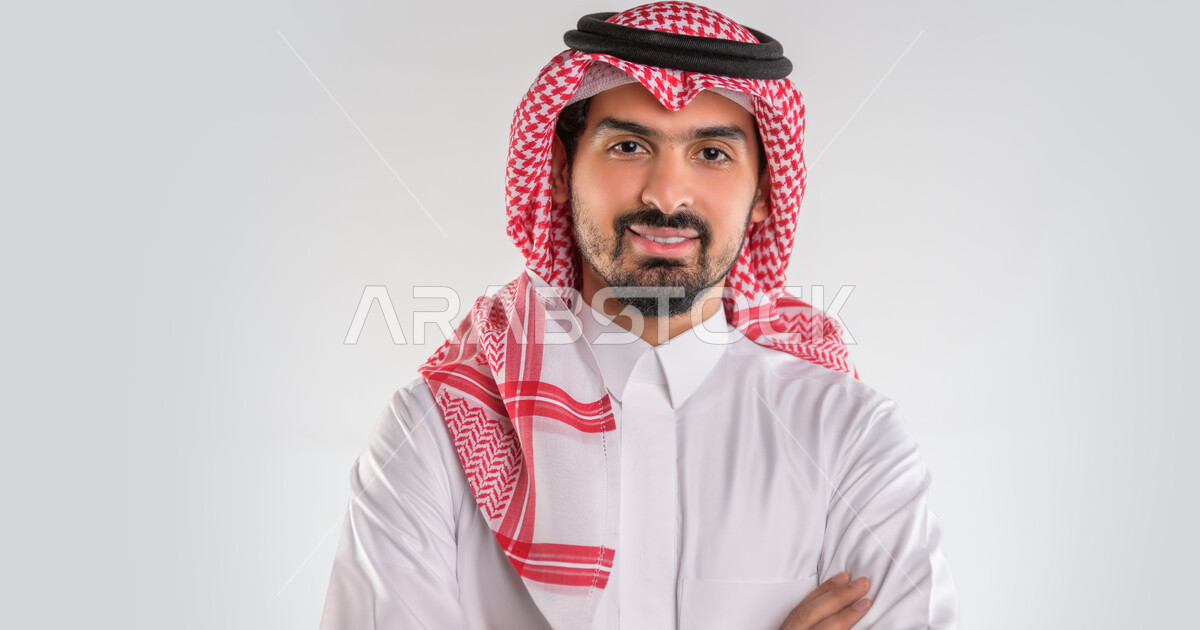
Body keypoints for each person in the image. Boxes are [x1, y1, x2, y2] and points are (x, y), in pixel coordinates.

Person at [319, 2, 957, 629]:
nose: (666, 195)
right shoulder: (434, 432)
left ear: (765, 191)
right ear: (561, 172)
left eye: (712, 153)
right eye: (628, 146)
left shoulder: (849, 437)